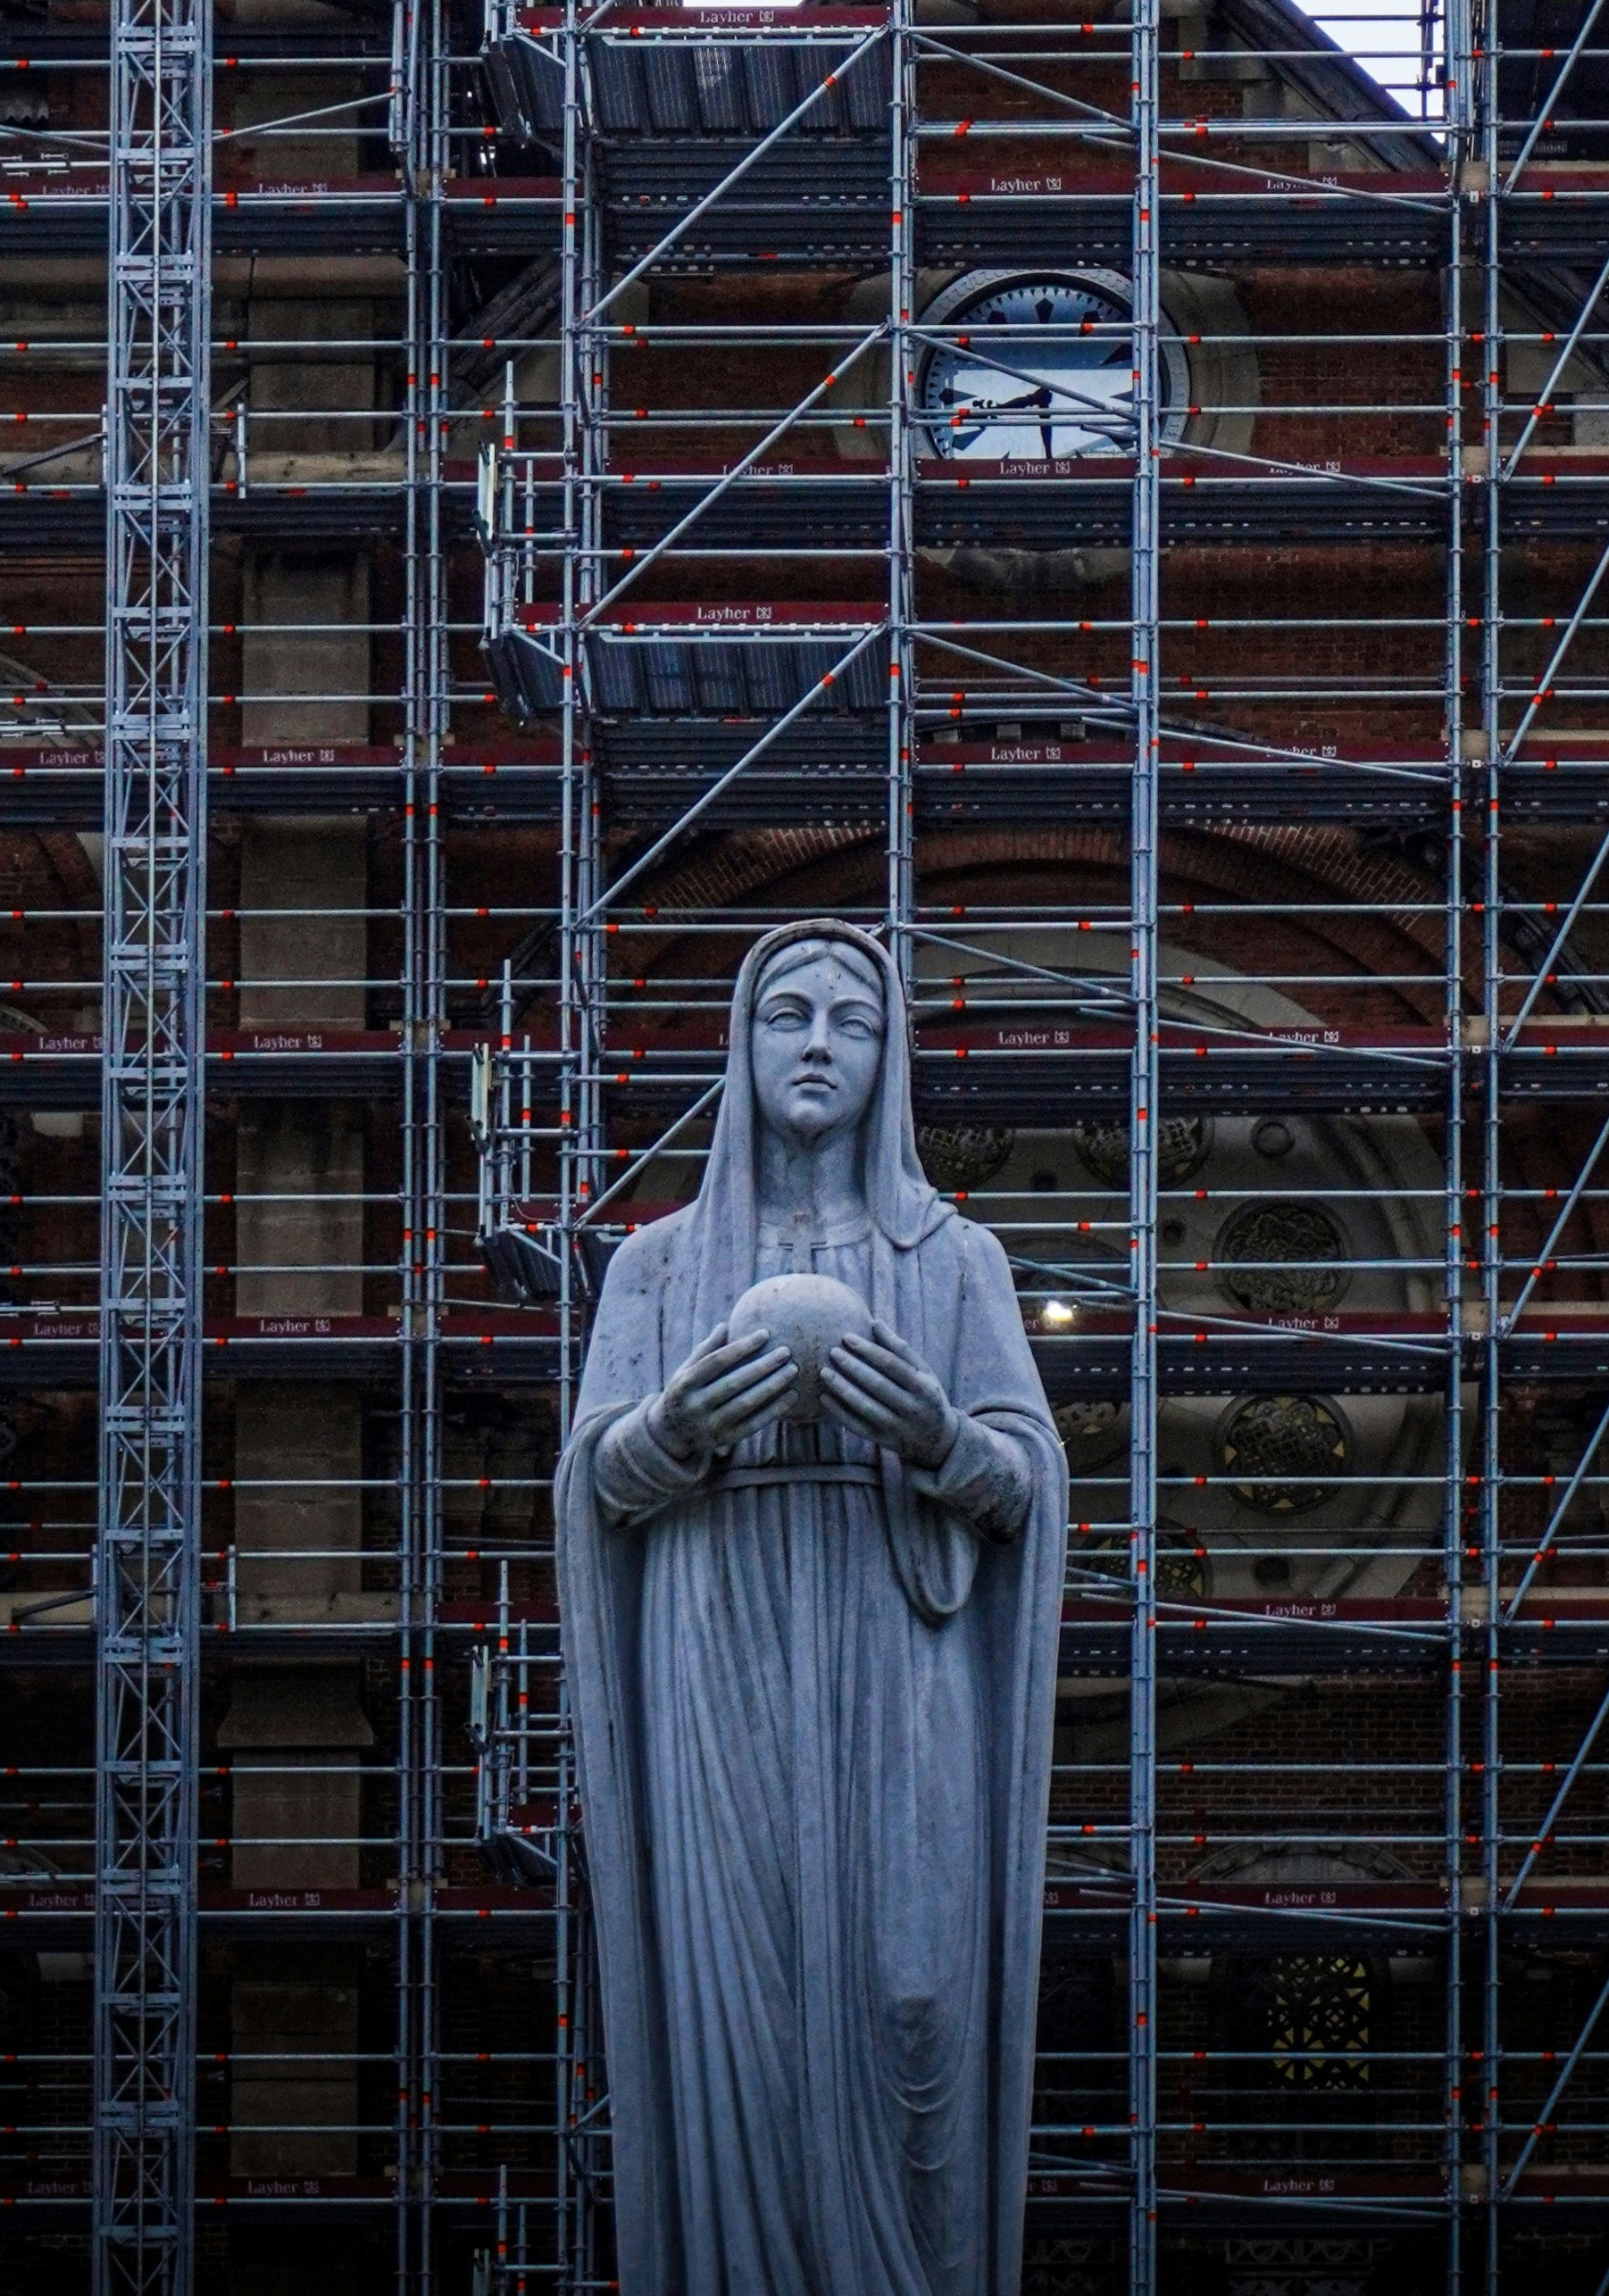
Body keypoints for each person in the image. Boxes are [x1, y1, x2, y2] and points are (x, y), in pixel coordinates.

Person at [554, 923, 1066, 2296]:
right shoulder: (655, 1268)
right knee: (745, 2027)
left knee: (913, 1998)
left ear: (890, 1057)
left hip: (902, 1648)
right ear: (744, 1047)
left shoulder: (958, 1261)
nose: (819, 1042)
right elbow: (595, 1478)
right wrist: (667, 1430)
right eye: (787, 1015)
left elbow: (1026, 1485)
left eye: (852, 1020)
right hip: (715, 1648)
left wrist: (944, 1439)